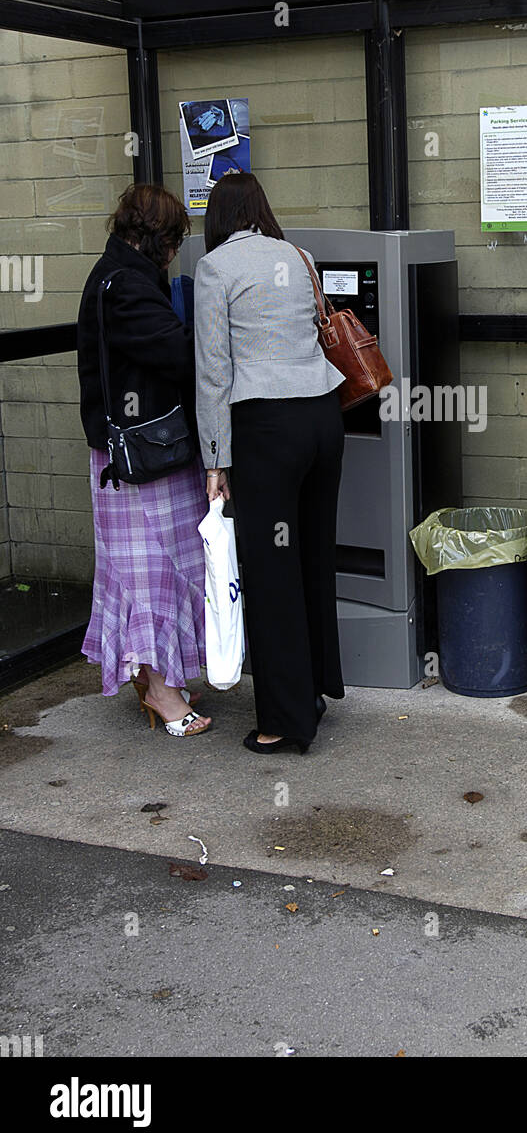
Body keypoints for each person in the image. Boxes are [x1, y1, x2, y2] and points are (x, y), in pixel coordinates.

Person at [194, 171, 345, 754]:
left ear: (219, 217)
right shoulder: (299, 255)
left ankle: (283, 721)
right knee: (311, 557)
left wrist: (215, 458)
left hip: (266, 428)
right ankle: (313, 689)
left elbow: (213, 371)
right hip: (322, 419)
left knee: (271, 573)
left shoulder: (216, 268)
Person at [77, 183, 212, 737]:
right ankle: (158, 690)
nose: (177, 250)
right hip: (139, 461)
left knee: (168, 570)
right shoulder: (127, 287)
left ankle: (162, 678)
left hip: (143, 454)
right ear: (154, 238)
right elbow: (177, 354)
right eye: (175, 239)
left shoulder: (120, 276)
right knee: (153, 572)